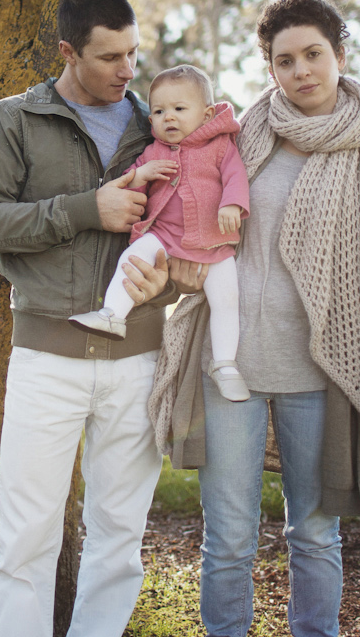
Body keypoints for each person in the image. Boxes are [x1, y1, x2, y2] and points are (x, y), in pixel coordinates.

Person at [148, 0, 360, 637]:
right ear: (268, 66)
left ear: (339, 54)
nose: (299, 71)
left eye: (313, 55)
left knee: (314, 535)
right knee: (227, 538)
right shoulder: (235, 138)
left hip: (322, 374)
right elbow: (184, 215)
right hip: (230, 370)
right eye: (283, 59)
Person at [0, 0, 206, 637]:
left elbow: (194, 218)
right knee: (26, 536)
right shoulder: (16, 119)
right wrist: (81, 209)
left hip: (137, 358)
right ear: (67, 52)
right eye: (109, 57)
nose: (127, 70)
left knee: (119, 534)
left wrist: (175, 271)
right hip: (45, 359)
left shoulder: (156, 122)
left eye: (134, 53)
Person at [69, 64, 251, 402]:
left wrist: (231, 205)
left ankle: (225, 364)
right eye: (159, 111)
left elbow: (235, 177)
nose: (169, 118)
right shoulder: (154, 151)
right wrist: (143, 174)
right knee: (132, 258)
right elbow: (126, 181)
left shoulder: (220, 147)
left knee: (227, 300)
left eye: (180, 109)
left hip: (213, 242)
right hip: (164, 235)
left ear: (206, 113)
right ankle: (112, 315)